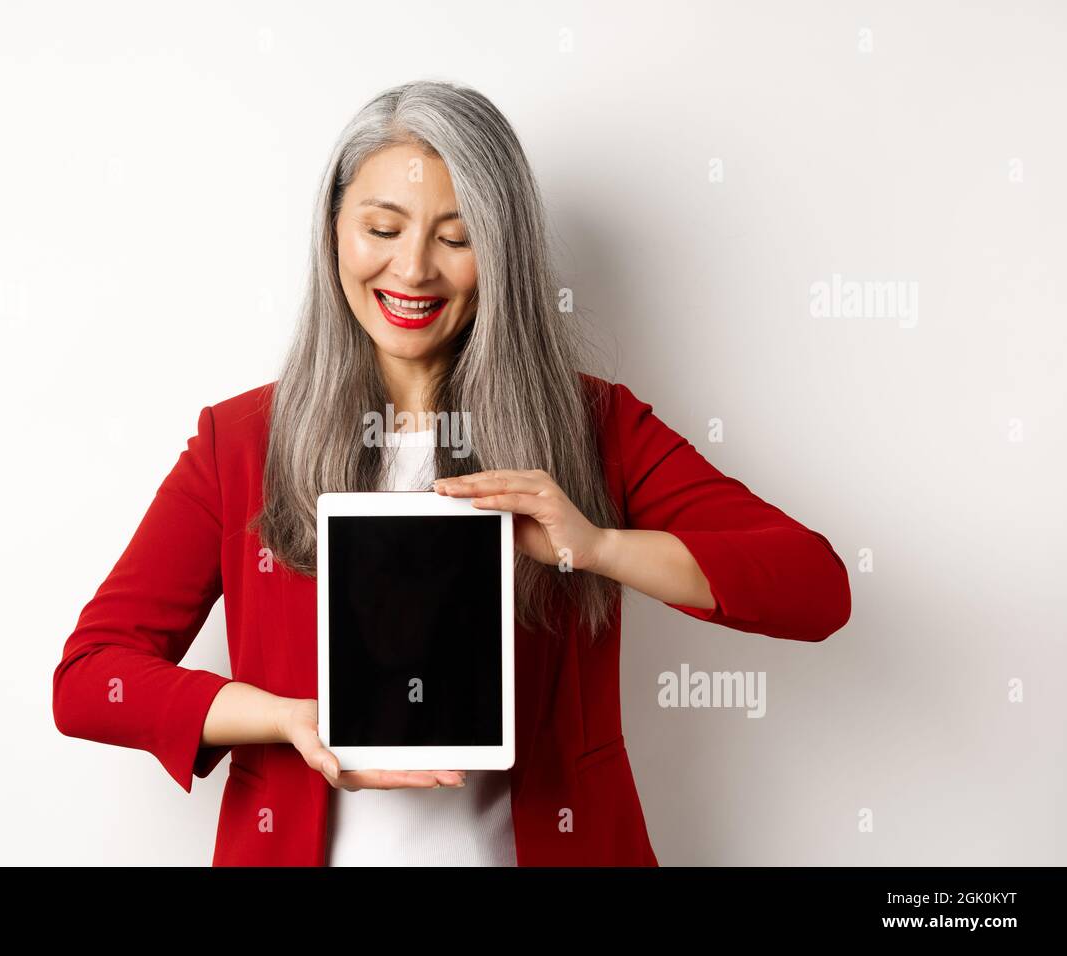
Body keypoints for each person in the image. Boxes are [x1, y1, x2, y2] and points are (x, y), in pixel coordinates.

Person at [51, 79, 852, 866]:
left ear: (502, 252)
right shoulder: (243, 441)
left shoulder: (593, 427)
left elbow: (814, 587)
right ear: (335, 230)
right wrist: (287, 719)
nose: (413, 270)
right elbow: (89, 677)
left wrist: (596, 545)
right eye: (383, 228)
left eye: (457, 237)